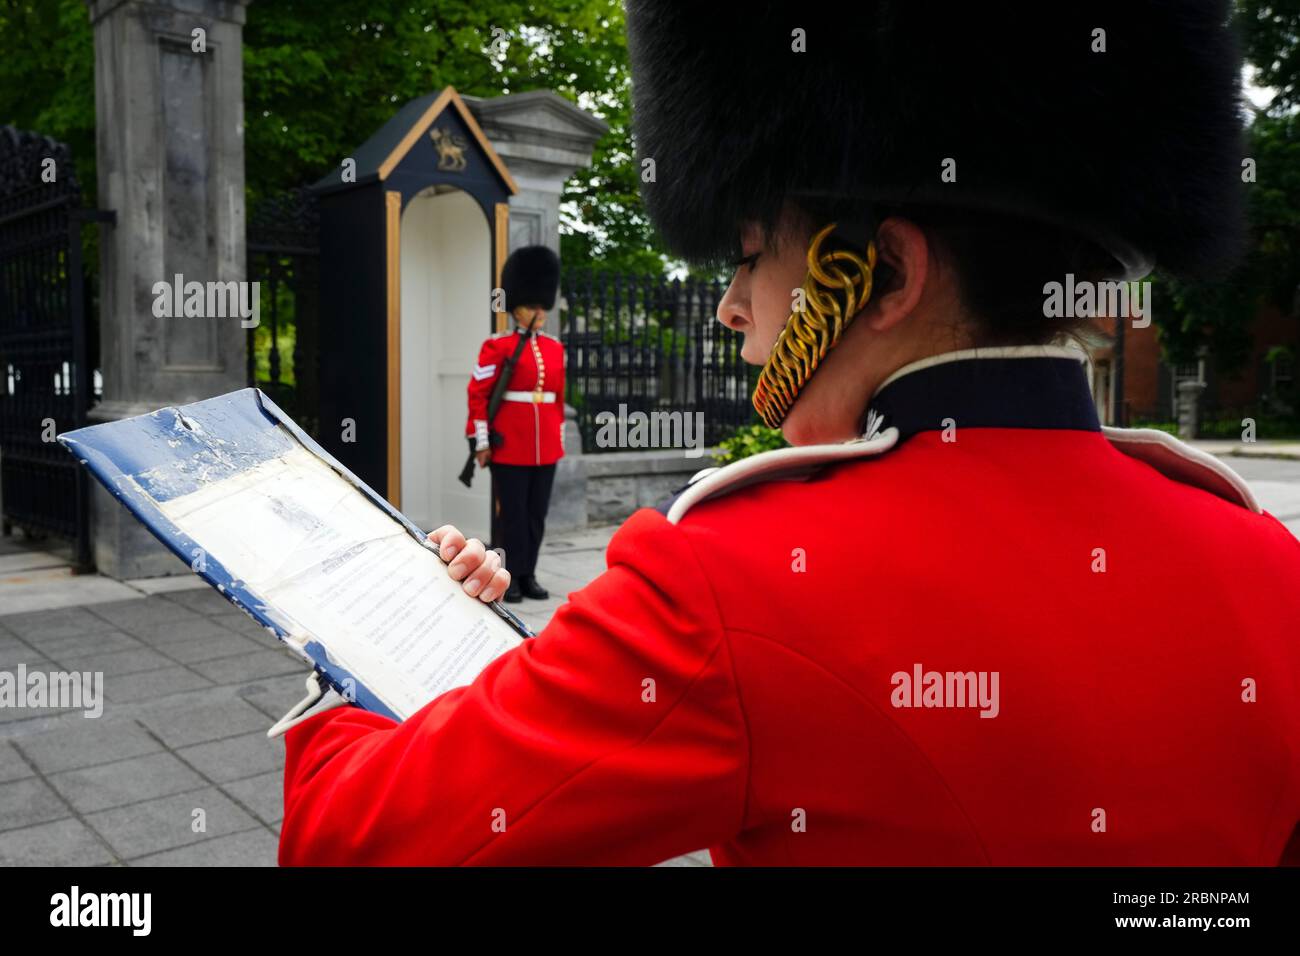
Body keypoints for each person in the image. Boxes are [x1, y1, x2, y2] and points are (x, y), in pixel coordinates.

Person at [279, 2, 1300, 865]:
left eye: (753, 254)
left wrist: (349, 644)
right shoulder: (1267, 563)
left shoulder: (727, 588)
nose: (731, 307)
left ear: (885, 273)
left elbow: (347, 838)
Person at [464, 244, 565, 602]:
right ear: (517, 309)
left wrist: (558, 439)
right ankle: (509, 576)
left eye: (542, 306)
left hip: (545, 446)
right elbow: (477, 395)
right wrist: (481, 442)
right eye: (532, 306)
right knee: (512, 517)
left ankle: (529, 574)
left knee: (536, 515)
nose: (540, 312)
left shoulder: (555, 348)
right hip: (509, 445)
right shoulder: (498, 346)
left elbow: (557, 399)